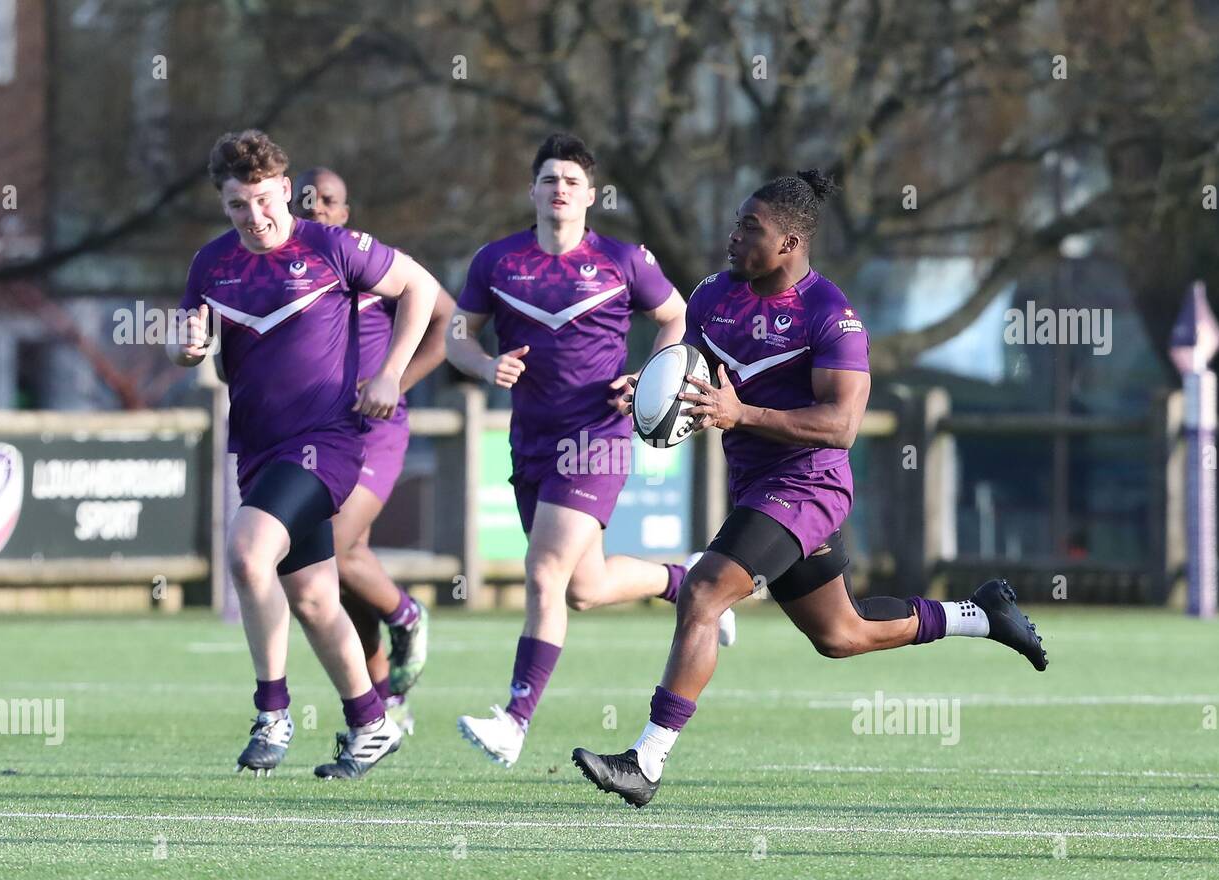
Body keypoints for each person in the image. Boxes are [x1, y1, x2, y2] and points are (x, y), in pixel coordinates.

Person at [572, 170, 1048, 807]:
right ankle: (982, 615)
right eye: (738, 222)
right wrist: (650, 385)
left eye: (751, 228)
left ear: (790, 243)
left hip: (807, 488)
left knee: (707, 593)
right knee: (841, 635)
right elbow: (689, 368)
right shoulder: (714, 295)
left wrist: (744, 415)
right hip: (758, 488)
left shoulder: (831, 316)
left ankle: (646, 761)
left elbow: (841, 425)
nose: (734, 236)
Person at [447, 132, 736, 768]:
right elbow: (457, 334)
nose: (560, 190)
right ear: (532, 191)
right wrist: (483, 364)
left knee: (543, 573)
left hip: (596, 436)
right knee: (583, 587)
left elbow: (675, 313)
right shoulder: (497, 261)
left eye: (571, 181)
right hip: (531, 441)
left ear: (591, 195)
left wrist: (652, 373)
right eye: (549, 179)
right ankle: (684, 581)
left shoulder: (623, 261)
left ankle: (514, 721)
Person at [170, 130, 441, 779]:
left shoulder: (329, 246)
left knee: (245, 550)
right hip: (259, 450)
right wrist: (185, 346)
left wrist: (391, 374)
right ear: (224, 204)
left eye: (263, 200)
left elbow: (421, 291)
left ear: (286, 191)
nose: (254, 217)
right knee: (317, 599)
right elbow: (191, 333)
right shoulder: (211, 264)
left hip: (327, 444)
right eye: (238, 205)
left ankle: (273, 712)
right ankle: (371, 723)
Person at [292, 166, 453, 734]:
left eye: (327, 201)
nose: (316, 209)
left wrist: (395, 382)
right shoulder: (287, 273)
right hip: (313, 436)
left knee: (325, 551)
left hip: (374, 431)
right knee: (336, 569)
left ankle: (407, 616)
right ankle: (384, 703)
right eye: (305, 200)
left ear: (344, 211)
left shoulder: (370, 264)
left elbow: (447, 320)